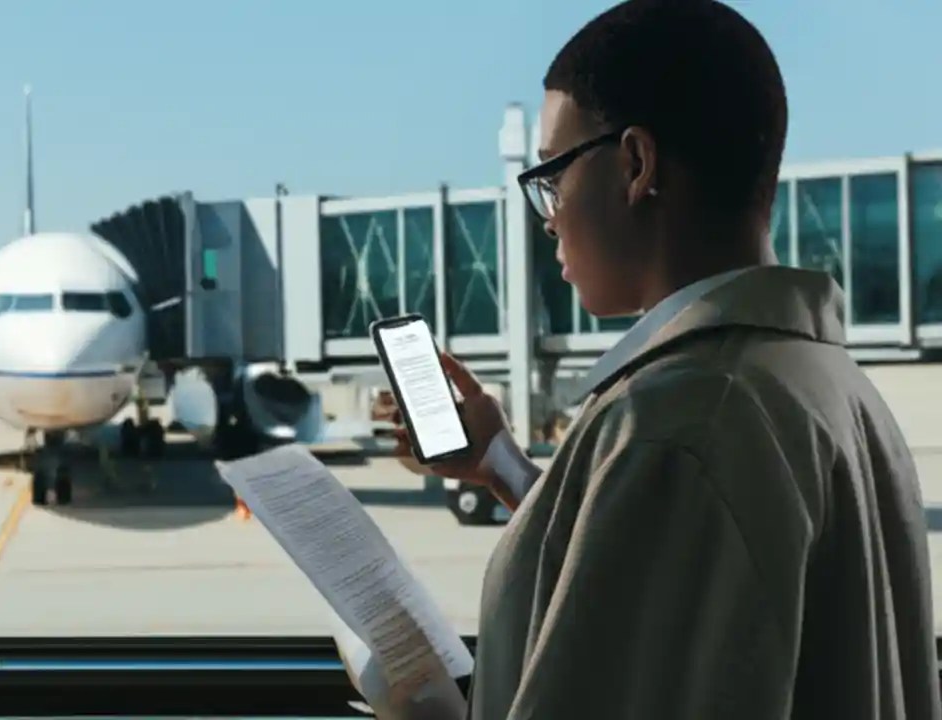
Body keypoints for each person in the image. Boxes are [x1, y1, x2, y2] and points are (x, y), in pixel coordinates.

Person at [390, 1, 942, 717]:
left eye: (552, 177)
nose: (549, 214)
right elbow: (661, 590)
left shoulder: (682, 421)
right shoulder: (817, 380)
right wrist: (502, 465)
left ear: (635, 165)